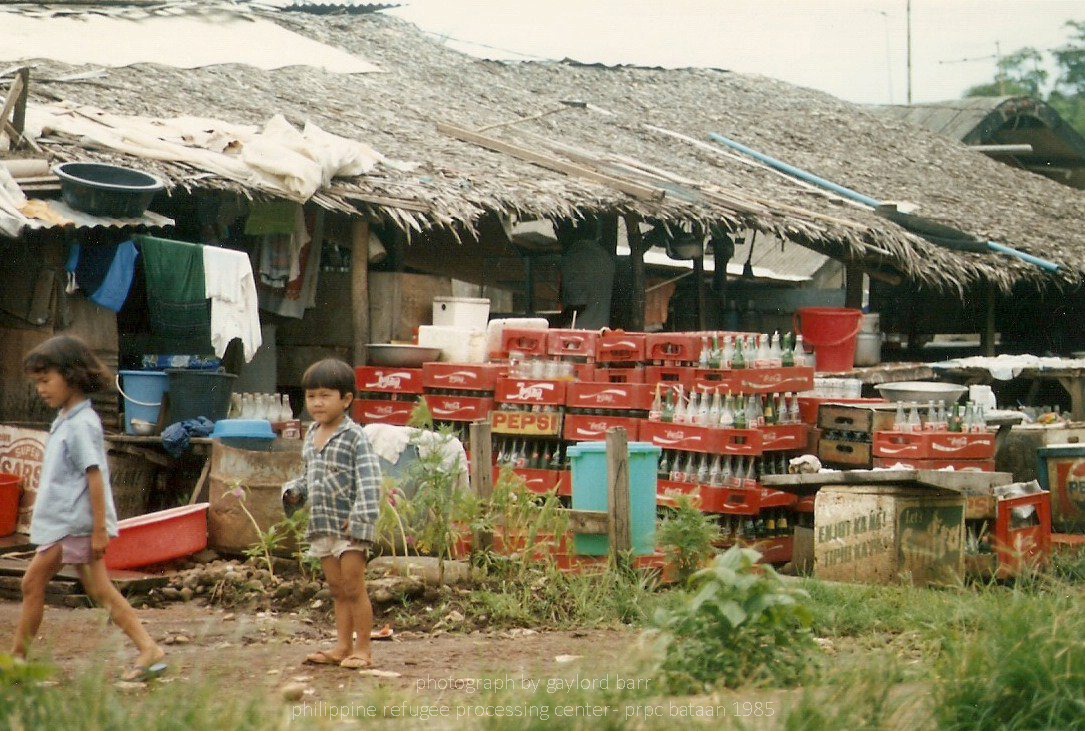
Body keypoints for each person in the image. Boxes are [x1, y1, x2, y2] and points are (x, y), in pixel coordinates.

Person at [13, 335, 165, 680]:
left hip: (74, 525)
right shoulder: (68, 419)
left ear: (72, 376)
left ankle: (17, 659)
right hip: (69, 523)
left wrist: (99, 529)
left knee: (32, 583)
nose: (41, 389)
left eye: (46, 380)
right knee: (100, 590)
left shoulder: (82, 424)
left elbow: (95, 476)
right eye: (38, 382)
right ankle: (148, 649)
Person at [283, 358, 381, 669]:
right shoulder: (311, 435)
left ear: (346, 399)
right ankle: (341, 646)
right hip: (321, 525)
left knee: (354, 587)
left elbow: (369, 479)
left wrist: (361, 515)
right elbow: (308, 475)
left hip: (349, 526)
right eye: (311, 396)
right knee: (337, 590)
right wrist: (295, 491)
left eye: (325, 395)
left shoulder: (355, 437)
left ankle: (363, 649)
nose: (317, 403)